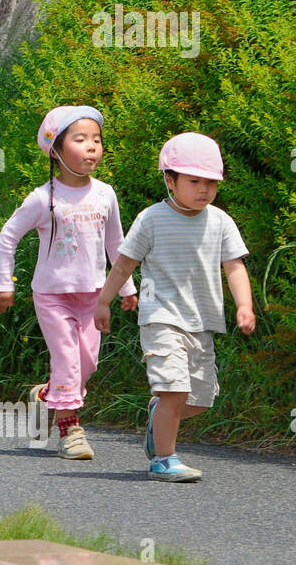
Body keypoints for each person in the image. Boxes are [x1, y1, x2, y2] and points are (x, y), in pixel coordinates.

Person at [95, 132, 255, 483]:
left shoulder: (220, 221)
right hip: (161, 317)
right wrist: (104, 301)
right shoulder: (151, 219)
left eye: (211, 183)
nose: (204, 190)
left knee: (197, 401)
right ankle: (163, 459)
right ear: (170, 180)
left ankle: (158, 415)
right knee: (174, 390)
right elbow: (123, 265)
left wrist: (244, 305)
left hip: (202, 322)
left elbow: (235, 267)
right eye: (194, 181)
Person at [0, 105, 137, 459]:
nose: (92, 147)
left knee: (87, 363)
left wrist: (127, 288)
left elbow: (117, 245)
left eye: (97, 140)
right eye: (81, 139)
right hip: (52, 296)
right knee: (69, 361)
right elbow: (9, 236)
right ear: (55, 151)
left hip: (95, 297)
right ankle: (70, 430)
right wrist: (1, 283)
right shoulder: (43, 198)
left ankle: (45, 396)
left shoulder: (105, 194)